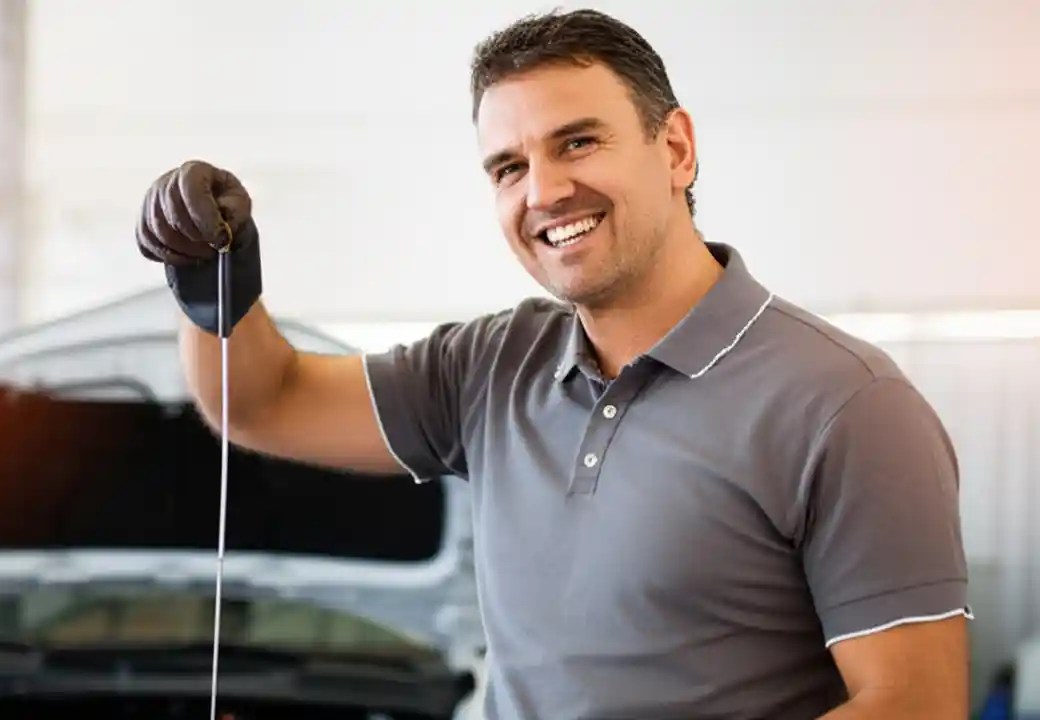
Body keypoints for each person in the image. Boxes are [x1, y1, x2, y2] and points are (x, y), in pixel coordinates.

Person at [134, 8, 971, 719]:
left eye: (577, 142)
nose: (543, 192)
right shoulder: (489, 367)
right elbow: (265, 400)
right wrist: (215, 291)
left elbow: (917, 707)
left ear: (675, 148)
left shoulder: (847, 405)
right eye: (509, 167)